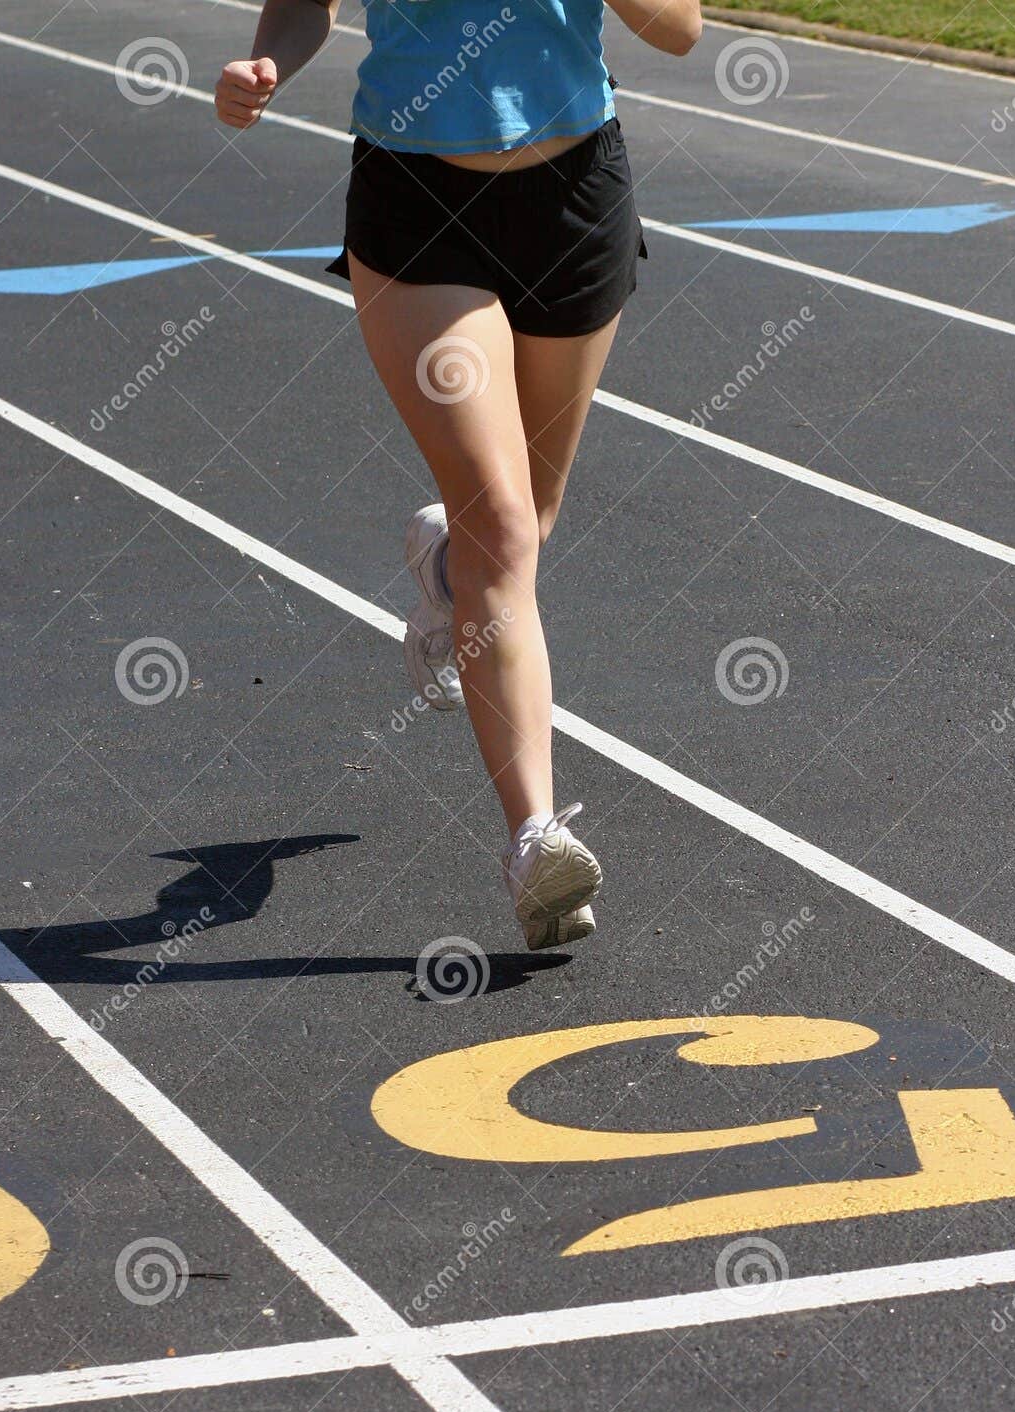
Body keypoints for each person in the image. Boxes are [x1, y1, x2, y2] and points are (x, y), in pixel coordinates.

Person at [215, 0, 701, 949]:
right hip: (417, 204)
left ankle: (445, 570)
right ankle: (535, 840)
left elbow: (680, 29)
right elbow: (304, 6)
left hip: (576, 197)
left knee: (529, 520)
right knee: (503, 526)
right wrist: (264, 63)